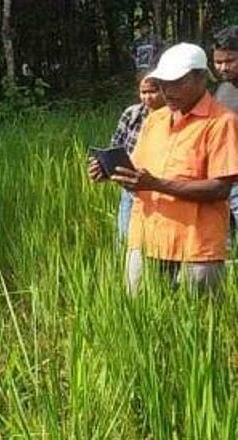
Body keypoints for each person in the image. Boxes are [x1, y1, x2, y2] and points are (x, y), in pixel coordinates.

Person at [90, 43, 238, 294]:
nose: (168, 92)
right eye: (163, 84)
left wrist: (156, 184)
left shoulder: (222, 122)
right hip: (148, 238)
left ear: (201, 78)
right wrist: (111, 171)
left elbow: (220, 188)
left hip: (196, 244)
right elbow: (138, 169)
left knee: (198, 319)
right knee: (139, 315)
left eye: (177, 83)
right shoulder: (155, 119)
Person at [108, 73, 166, 244]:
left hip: (157, 183)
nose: (147, 97)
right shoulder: (132, 114)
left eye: (153, 92)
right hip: (130, 183)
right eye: (143, 92)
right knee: (125, 236)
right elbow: (116, 144)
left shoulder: (172, 116)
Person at [213, 27, 238, 233]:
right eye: (218, 62)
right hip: (223, 178)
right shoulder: (223, 90)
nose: (222, 68)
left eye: (229, 61)